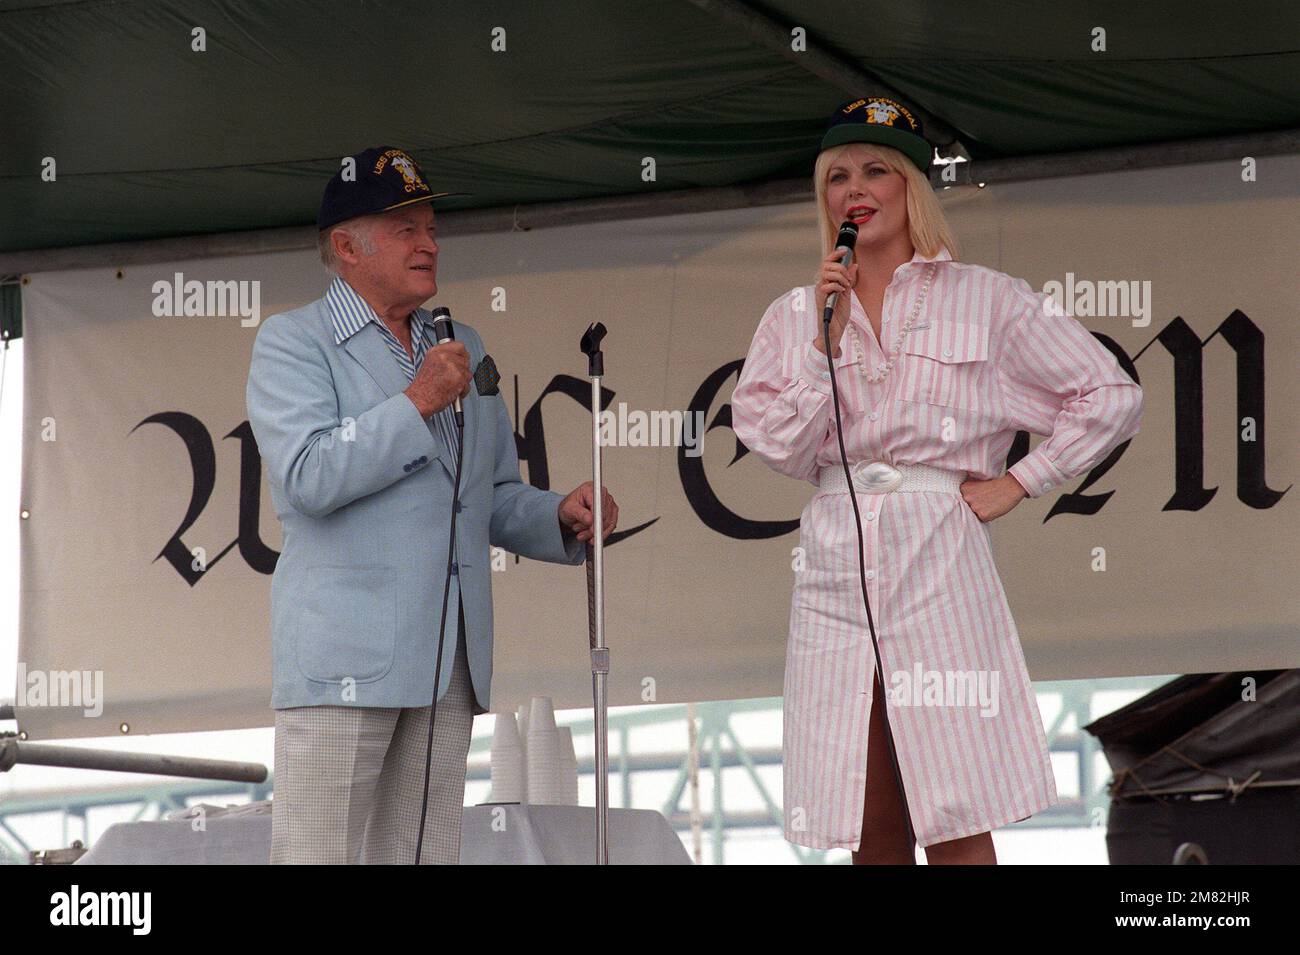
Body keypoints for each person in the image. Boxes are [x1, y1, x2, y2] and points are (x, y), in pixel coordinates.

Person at [730, 98, 1143, 864]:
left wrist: (1022, 479)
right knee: (865, 809)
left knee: (953, 799)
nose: (855, 189)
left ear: (911, 185)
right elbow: (777, 442)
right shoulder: (794, 313)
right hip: (835, 558)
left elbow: (1111, 393)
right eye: (837, 177)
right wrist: (826, 341)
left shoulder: (986, 297)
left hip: (938, 550)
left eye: (875, 170)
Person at [245, 146, 618, 864]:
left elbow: (486, 494)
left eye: (432, 228)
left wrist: (556, 516)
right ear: (347, 247)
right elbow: (308, 476)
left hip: (450, 658)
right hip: (344, 661)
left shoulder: (461, 342)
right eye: (407, 229)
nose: (430, 244)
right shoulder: (294, 341)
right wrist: (416, 401)